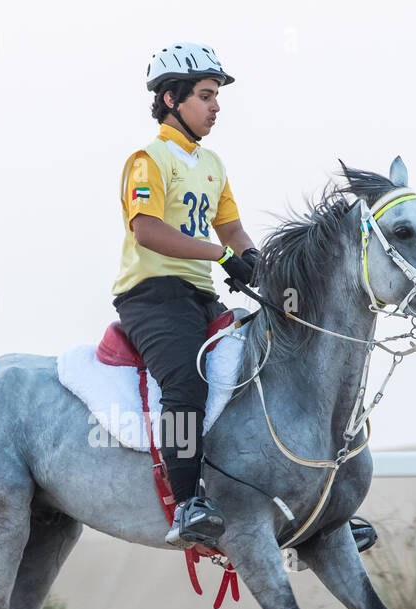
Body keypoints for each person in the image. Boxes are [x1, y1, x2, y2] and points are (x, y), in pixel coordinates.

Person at [111, 43, 258, 549]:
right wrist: (221, 255)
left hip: (198, 295)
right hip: (150, 297)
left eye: (216, 96)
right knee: (186, 386)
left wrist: (256, 261)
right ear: (171, 99)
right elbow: (148, 230)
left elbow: (233, 228)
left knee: (261, 370)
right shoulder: (147, 160)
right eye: (205, 95)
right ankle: (188, 503)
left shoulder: (213, 162)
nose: (216, 106)